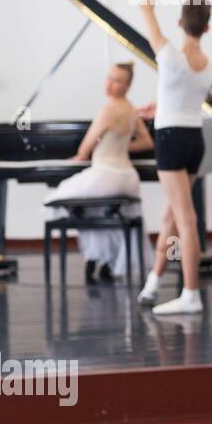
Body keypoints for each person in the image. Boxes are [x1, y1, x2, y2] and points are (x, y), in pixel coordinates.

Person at [134, 0, 212, 316]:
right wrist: (159, 106)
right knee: (172, 216)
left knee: (185, 219)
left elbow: (144, 4)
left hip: (169, 140)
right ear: (207, 28)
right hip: (194, 142)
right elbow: (188, 98)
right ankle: (154, 280)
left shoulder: (168, 56)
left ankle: (191, 294)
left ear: (181, 22)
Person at [44, 61, 153, 281]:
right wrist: (120, 146)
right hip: (128, 179)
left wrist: (78, 158)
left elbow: (83, 151)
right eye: (109, 77)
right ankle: (104, 260)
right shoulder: (131, 109)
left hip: (107, 175)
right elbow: (147, 143)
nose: (110, 84)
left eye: (117, 80)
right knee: (96, 209)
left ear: (127, 85)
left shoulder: (107, 110)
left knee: (57, 200)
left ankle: (94, 258)